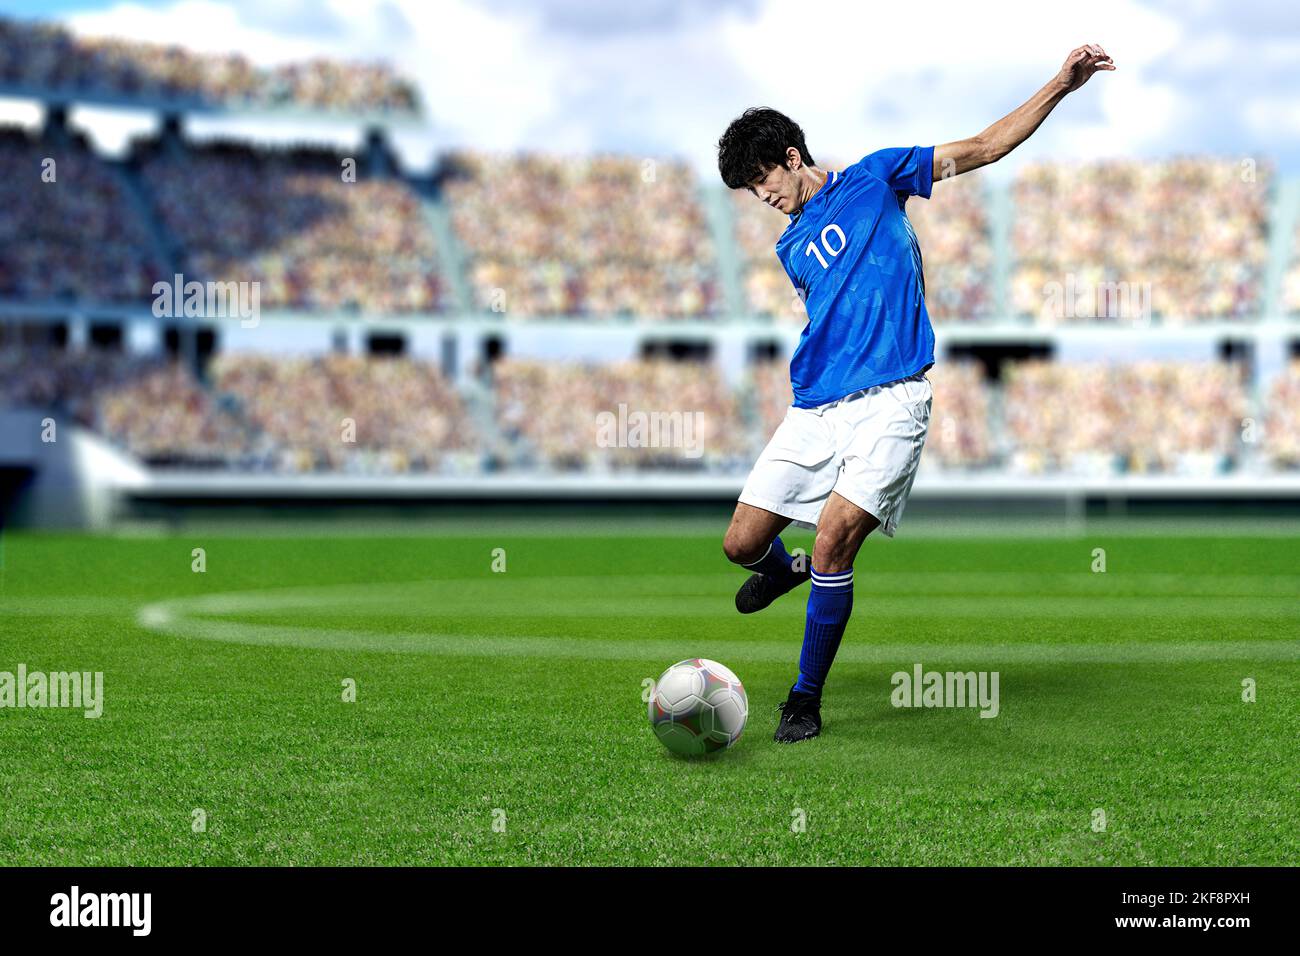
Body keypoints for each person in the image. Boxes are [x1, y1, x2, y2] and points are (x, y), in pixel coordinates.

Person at [716, 44, 1115, 742]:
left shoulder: (878, 175)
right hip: (813, 407)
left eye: (761, 179)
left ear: (790, 153)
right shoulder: (789, 245)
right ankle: (785, 573)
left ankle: (803, 698)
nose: (763, 197)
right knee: (740, 543)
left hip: (893, 401)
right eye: (749, 192)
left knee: (837, 541)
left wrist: (1061, 84)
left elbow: (987, 146)